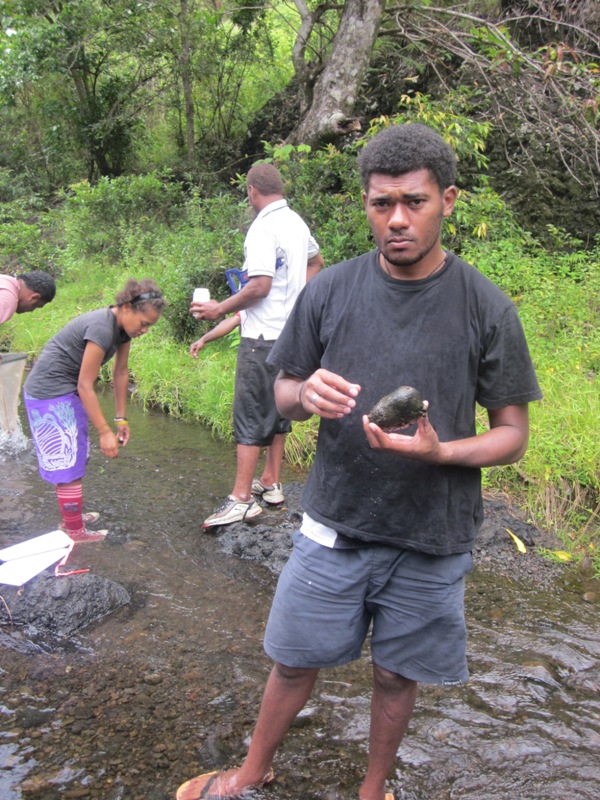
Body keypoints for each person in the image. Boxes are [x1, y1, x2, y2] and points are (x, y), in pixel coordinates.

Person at [175, 123, 542, 800]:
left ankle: (374, 790)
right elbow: (283, 391)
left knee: (397, 674)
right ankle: (251, 774)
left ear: (448, 200)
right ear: (366, 205)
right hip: (334, 522)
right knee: (291, 662)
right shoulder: (331, 291)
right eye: (381, 204)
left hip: (432, 534)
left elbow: (513, 434)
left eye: (414, 201)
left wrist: (443, 450)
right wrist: (303, 393)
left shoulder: (486, 307)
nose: (397, 219)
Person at [191, 162, 323, 528]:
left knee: (250, 412)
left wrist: (218, 308)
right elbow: (317, 262)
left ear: (252, 190)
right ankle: (271, 482)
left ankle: (241, 499)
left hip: (262, 336)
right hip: (293, 335)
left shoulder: (262, 227)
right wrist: (298, 303)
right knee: (280, 406)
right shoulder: (297, 223)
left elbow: (260, 285)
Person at [22, 278, 166, 542]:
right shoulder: (102, 327)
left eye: (150, 326)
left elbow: (120, 372)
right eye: (144, 323)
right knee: (66, 460)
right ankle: (74, 531)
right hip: (49, 391)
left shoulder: (122, 329)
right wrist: (104, 431)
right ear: (125, 307)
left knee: (76, 453)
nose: (145, 330)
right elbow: (85, 385)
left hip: (63, 390)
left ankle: (71, 517)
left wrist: (120, 418)